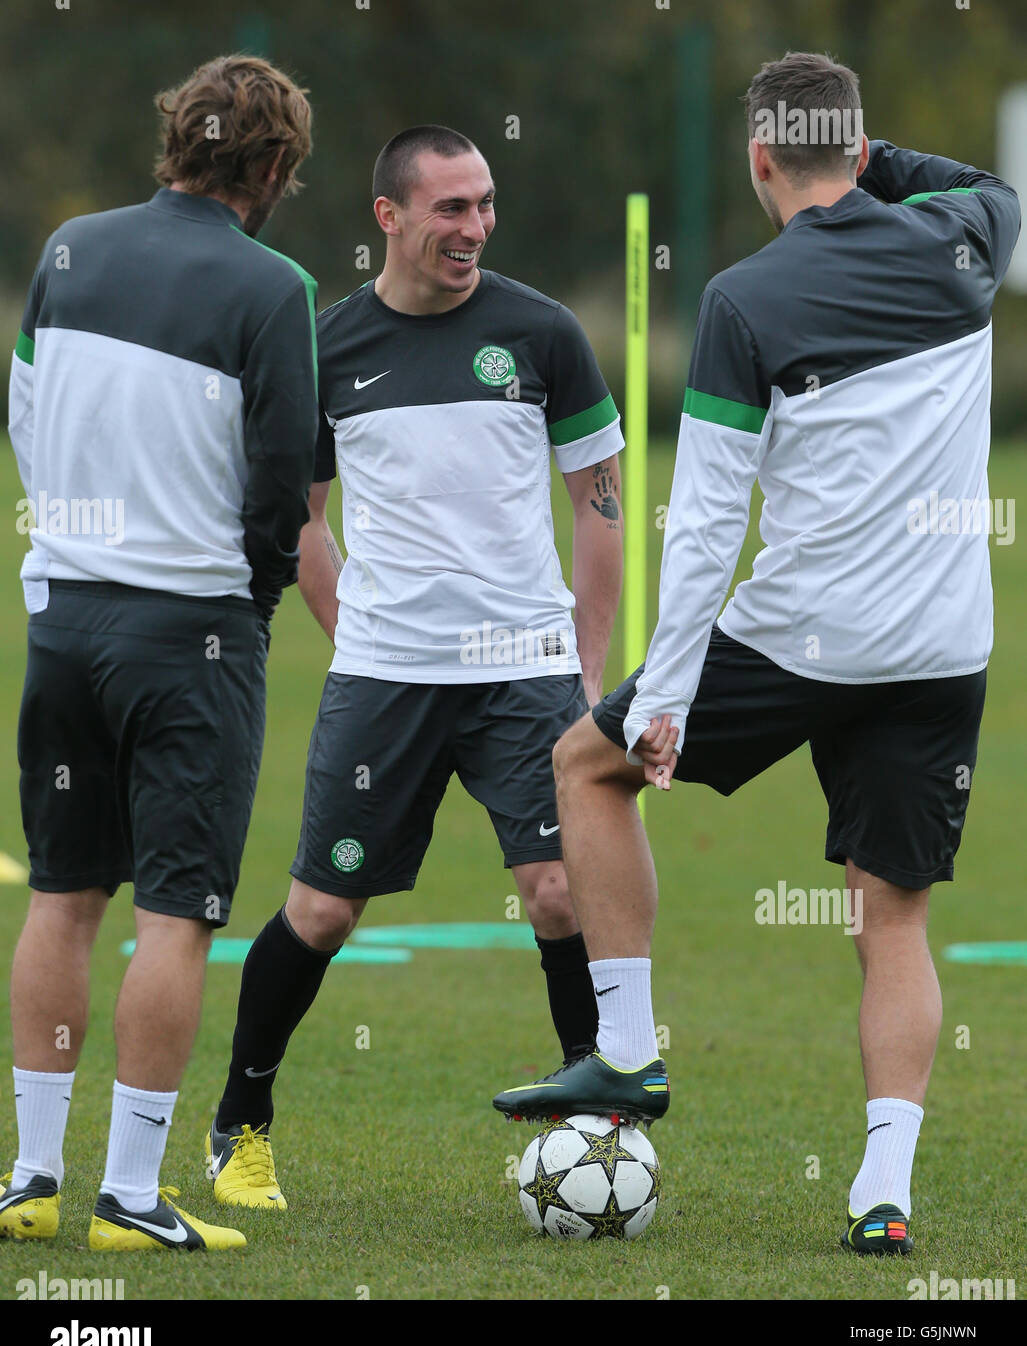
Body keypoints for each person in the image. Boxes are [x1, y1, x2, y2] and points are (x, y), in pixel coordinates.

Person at [493, 51, 1020, 1256]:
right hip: (942, 648)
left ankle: (624, 1049)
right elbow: (986, 181)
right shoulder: (971, 239)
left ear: (757, 161)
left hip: (799, 639)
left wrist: (665, 693)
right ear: (863, 147)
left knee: (587, 765)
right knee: (890, 921)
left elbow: (710, 519)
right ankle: (881, 1194)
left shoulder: (740, 299)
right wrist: (871, 155)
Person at [207, 125, 624, 1210]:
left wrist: (587, 667)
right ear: (387, 216)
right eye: (450, 208)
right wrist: (359, 630)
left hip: (526, 672)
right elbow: (302, 521)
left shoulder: (543, 332)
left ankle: (598, 1128)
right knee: (322, 911)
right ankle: (241, 1119)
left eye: (484, 204)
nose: (475, 227)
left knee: (557, 894)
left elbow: (599, 502)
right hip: (386, 678)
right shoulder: (325, 346)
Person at [1, 54, 318, 1251]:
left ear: (175, 138)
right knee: (177, 911)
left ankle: (31, 1180)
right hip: (190, 631)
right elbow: (283, 480)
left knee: (64, 894)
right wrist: (258, 589)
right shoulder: (277, 285)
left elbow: (26, 419)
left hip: (62, 621)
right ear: (274, 166)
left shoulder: (70, 246)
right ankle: (130, 1197)